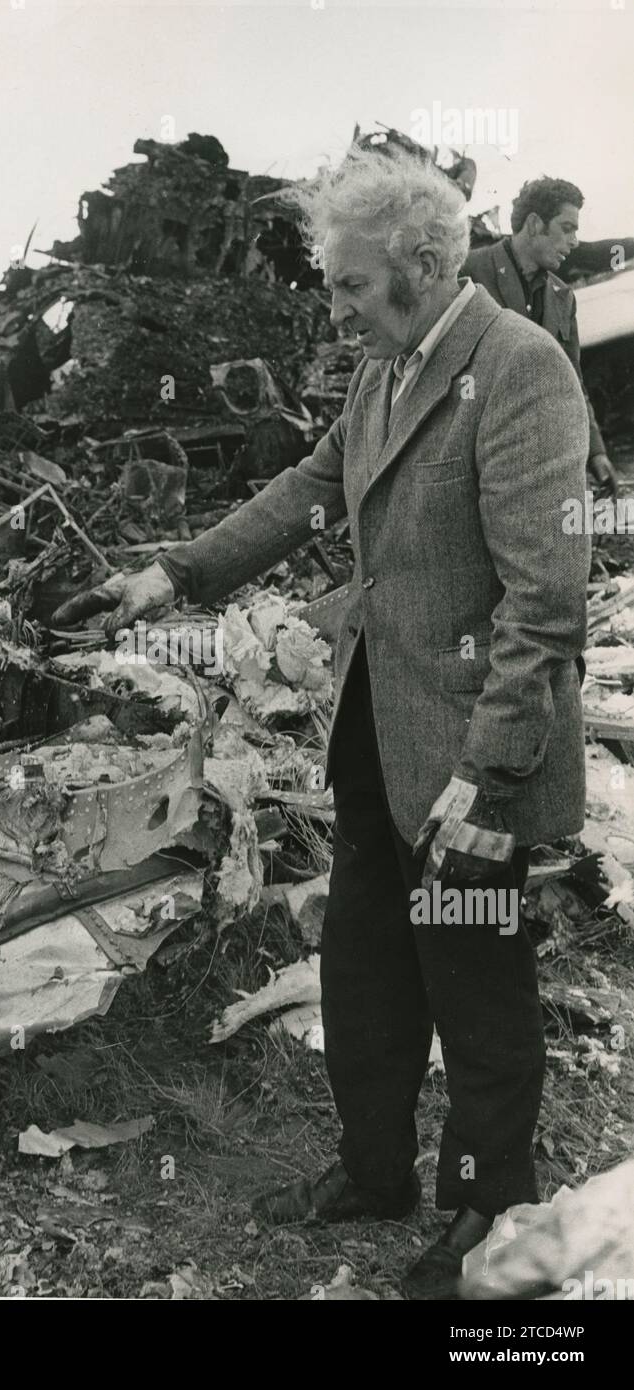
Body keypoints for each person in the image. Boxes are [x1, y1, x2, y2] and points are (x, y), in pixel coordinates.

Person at [52, 148, 591, 1300]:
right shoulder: (379, 372)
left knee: (476, 995)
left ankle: (485, 1209)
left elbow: (542, 605)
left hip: (467, 768)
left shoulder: (518, 369)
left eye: (347, 285)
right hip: (372, 743)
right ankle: (372, 1171)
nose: (332, 306)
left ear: (421, 267)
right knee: (364, 978)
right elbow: (304, 487)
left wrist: (484, 776)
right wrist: (169, 575)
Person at [464, 177, 618, 496]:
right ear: (535, 224)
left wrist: (595, 452)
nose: (574, 241)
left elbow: (571, 380)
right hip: (472, 471)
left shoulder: (562, 298)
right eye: (567, 228)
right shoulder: (468, 272)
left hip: (538, 468)